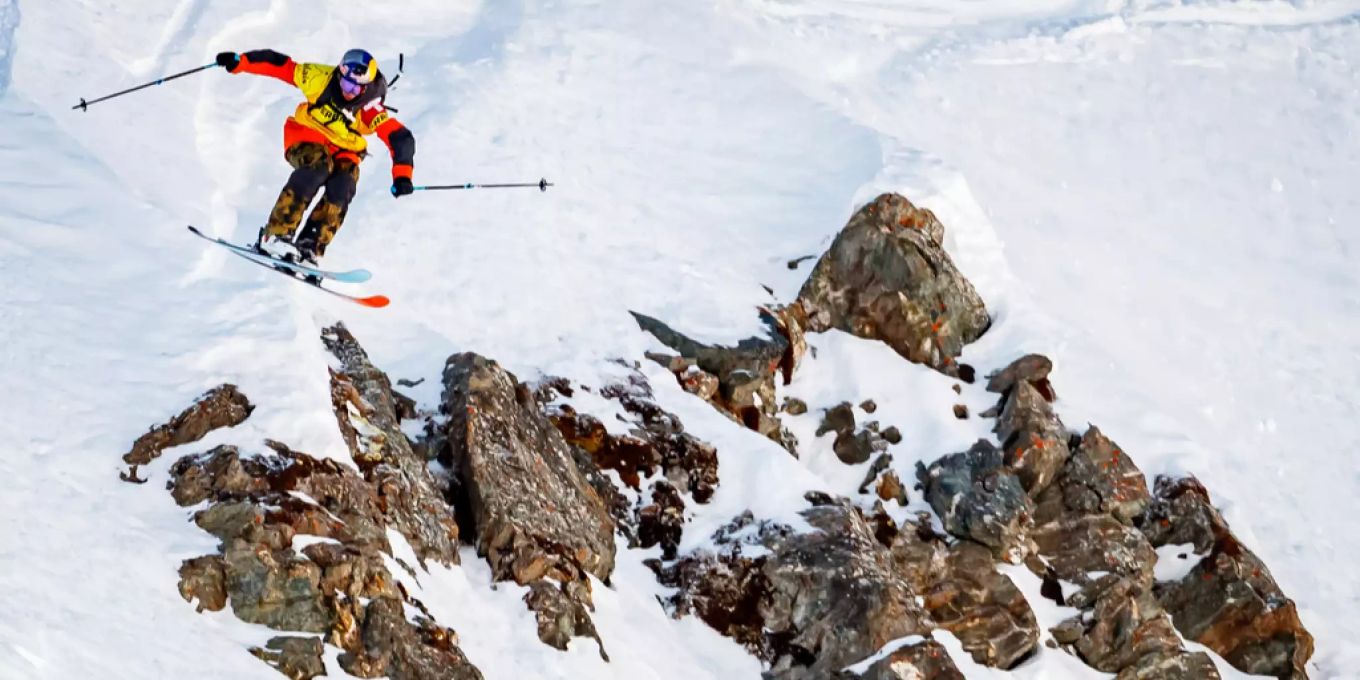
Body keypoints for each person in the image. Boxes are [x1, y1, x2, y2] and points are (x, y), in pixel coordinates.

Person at [215, 48, 415, 265]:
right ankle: (276, 234)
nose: (347, 90)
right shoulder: (320, 79)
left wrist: (402, 176)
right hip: (306, 135)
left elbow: (400, 138)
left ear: (365, 87)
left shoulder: (369, 107)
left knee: (344, 183)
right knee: (319, 167)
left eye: (354, 87)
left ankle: (310, 246)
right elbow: (280, 66)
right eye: (345, 82)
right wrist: (240, 62)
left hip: (345, 149)